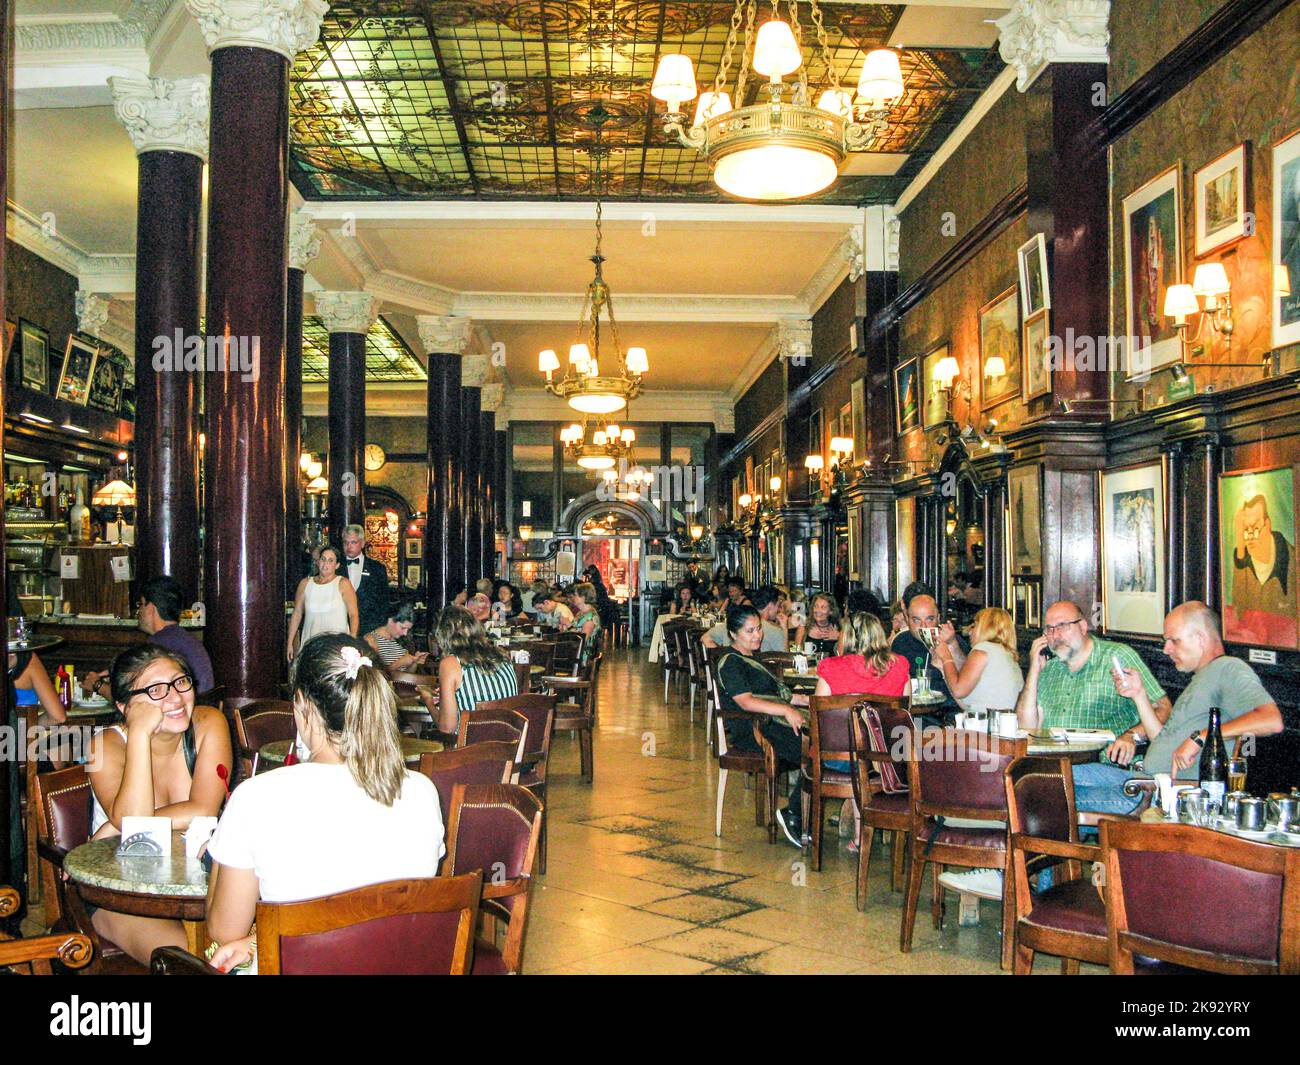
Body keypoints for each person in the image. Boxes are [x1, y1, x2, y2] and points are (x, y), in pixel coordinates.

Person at [204, 634, 443, 973]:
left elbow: (225, 931)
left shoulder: (257, 798)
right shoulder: (423, 791)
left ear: (302, 705)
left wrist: (216, 852)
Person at [85, 645, 232, 965]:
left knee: (240, 952)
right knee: (193, 963)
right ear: (124, 705)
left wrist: (114, 825)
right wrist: (138, 731)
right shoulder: (103, 746)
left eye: (181, 682)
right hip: (122, 893)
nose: (176, 698)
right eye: (155, 690)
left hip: (198, 886)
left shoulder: (208, 723)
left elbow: (203, 808)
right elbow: (133, 820)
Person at [1072, 602, 1284, 814]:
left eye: (1174, 640)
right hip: (1145, 781)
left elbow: (1271, 720)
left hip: (1163, 796)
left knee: (1058, 797)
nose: (1166, 649)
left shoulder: (1228, 668)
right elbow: (1161, 739)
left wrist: (1201, 737)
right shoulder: (1200, 678)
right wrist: (1139, 695)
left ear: (1200, 638)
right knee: (1057, 776)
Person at [813, 611, 911, 848]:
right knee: (864, 752)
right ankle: (862, 835)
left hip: (840, 758)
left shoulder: (830, 667)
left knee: (852, 750)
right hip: (884, 758)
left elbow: (820, 716)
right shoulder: (900, 666)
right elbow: (905, 714)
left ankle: (835, 833)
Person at [715, 604, 808, 847]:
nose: (757, 635)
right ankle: (794, 813)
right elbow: (746, 702)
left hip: (770, 723)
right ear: (734, 634)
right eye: (749, 631)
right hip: (754, 730)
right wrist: (787, 710)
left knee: (820, 746)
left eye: (758, 629)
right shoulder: (730, 662)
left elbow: (777, 694)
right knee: (814, 752)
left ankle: (803, 811)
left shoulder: (751, 657)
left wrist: (807, 700)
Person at [1015, 599, 1171, 740]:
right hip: (1052, 760)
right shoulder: (1050, 669)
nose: (1056, 636)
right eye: (1050, 629)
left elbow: (1163, 708)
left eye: (1062, 626)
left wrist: (1132, 736)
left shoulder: (1116, 657)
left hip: (1100, 761)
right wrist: (1034, 671)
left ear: (1082, 627)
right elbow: (1026, 728)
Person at [83, 575, 215, 698]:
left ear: (151, 608)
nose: (139, 612)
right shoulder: (184, 639)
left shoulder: (158, 646)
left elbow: (133, 700)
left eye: (141, 604)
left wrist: (97, 685)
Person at [432, 606, 519, 736]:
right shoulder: (502, 656)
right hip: (508, 744)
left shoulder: (451, 664)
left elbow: (447, 728)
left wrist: (428, 701)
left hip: (471, 750)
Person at [932, 607, 1024, 714]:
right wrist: (943, 668)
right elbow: (967, 704)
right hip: (1000, 724)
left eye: (974, 626)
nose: (970, 632)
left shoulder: (983, 649)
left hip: (985, 726)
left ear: (985, 627)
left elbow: (958, 691)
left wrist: (946, 657)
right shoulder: (1007, 654)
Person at [890, 593, 966, 710]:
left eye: (929, 619)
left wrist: (952, 645)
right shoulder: (900, 642)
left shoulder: (950, 639)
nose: (923, 626)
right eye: (916, 620)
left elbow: (966, 679)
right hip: (913, 712)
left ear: (939, 618)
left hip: (949, 710)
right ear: (907, 619)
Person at [286, 545, 358, 661]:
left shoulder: (343, 583)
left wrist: (352, 641)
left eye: (330, 561)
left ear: (337, 565)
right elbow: (297, 613)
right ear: (318, 562)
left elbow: (353, 615)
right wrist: (290, 643)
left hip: (336, 647)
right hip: (310, 645)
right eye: (323, 559)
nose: (325, 564)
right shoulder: (305, 583)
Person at [341, 525, 391, 641]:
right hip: (342, 628)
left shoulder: (377, 568)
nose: (349, 546)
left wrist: (378, 630)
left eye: (353, 542)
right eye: (346, 543)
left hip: (370, 629)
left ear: (362, 543)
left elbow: (384, 602)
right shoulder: (336, 568)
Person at [702, 586, 786, 651]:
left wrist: (722, 658)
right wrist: (785, 630)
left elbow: (705, 638)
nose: (779, 609)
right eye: (778, 605)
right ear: (770, 605)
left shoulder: (734, 623)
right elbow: (787, 662)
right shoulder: (775, 632)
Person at [364, 599, 428, 672]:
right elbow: (373, 674)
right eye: (403, 628)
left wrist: (414, 662)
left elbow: (408, 675)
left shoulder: (401, 640)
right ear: (390, 620)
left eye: (408, 629)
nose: (405, 633)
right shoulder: (371, 640)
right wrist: (400, 663)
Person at [569, 581, 602, 662]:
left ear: (583, 597)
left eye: (575, 595)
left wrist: (568, 628)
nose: (573, 598)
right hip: (576, 651)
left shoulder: (589, 618)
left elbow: (581, 641)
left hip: (581, 656)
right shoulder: (581, 612)